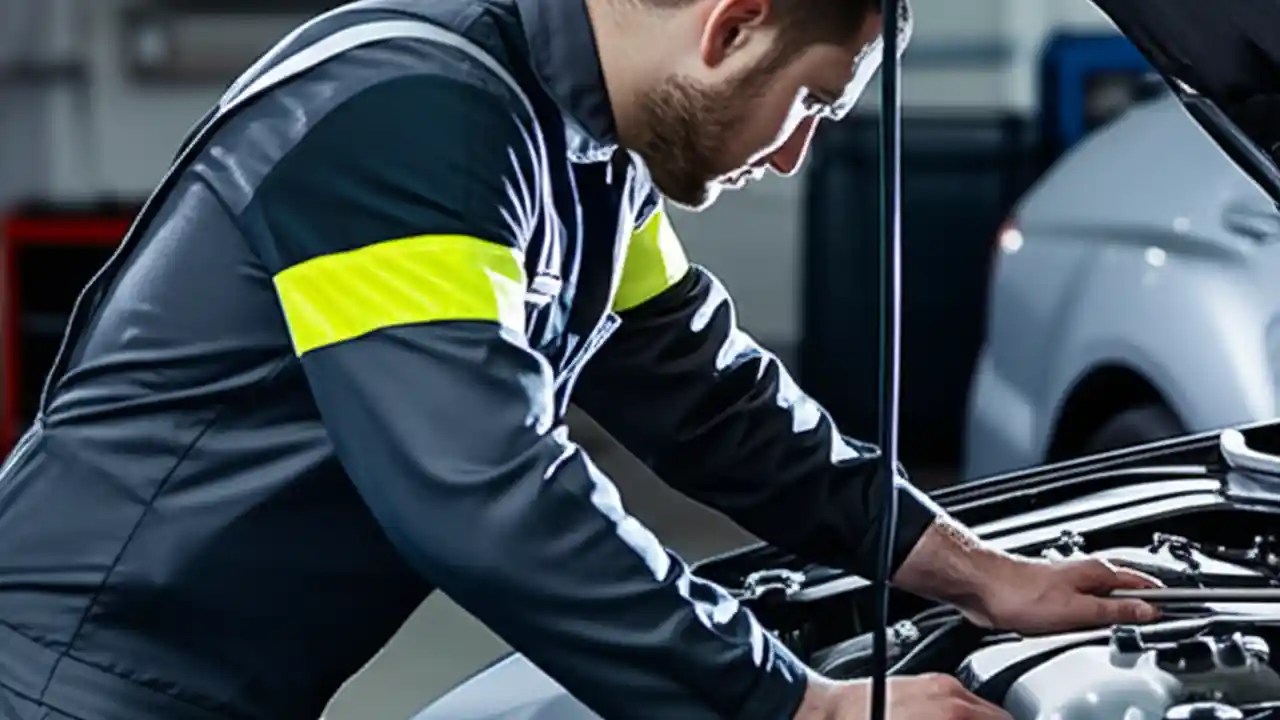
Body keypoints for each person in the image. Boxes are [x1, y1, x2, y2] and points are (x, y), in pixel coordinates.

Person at [0, 0, 1162, 718]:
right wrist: (790, 706)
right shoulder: (411, 119)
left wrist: (967, 568)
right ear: (729, 24)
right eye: (811, 104)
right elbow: (487, 495)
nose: (799, 153)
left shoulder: (582, 155)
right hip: (67, 683)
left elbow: (711, 401)